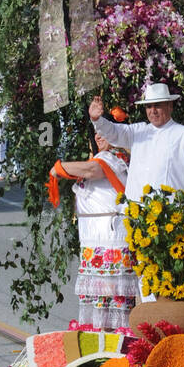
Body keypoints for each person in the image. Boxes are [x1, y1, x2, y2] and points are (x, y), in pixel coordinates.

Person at [48, 118, 138, 331]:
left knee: (113, 294)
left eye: (103, 131)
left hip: (111, 238)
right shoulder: (101, 157)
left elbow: (91, 170)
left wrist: (58, 168)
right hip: (95, 239)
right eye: (96, 132)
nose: (98, 136)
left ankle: (121, 340)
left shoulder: (116, 157)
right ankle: (101, 336)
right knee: (100, 296)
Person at [88, 84, 184, 205]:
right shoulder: (137, 131)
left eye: (157, 105)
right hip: (136, 215)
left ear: (170, 106)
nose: (153, 110)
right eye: (149, 106)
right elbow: (113, 132)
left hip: (171, 216)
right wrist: (97, 120)